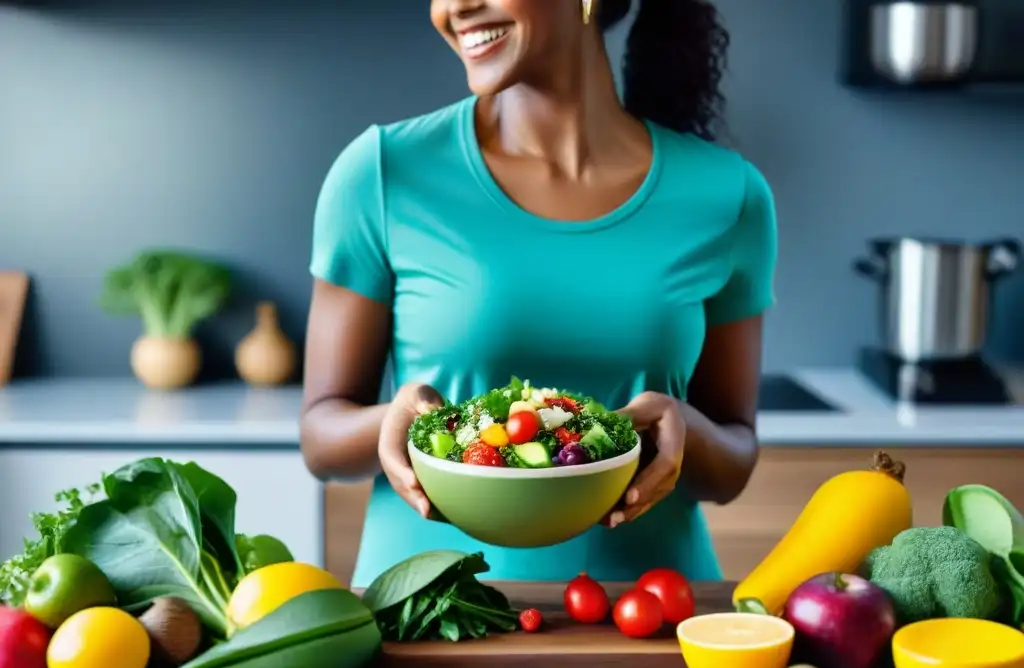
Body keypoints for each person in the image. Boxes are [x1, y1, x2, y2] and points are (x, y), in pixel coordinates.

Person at [300, 0, 778, 587]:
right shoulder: (382, 173)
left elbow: (733, 464)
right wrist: (391, 421)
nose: (455, 8)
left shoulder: (728, 196)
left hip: (644, 611)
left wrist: (681, 428)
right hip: (431, 608)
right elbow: (320, 437)